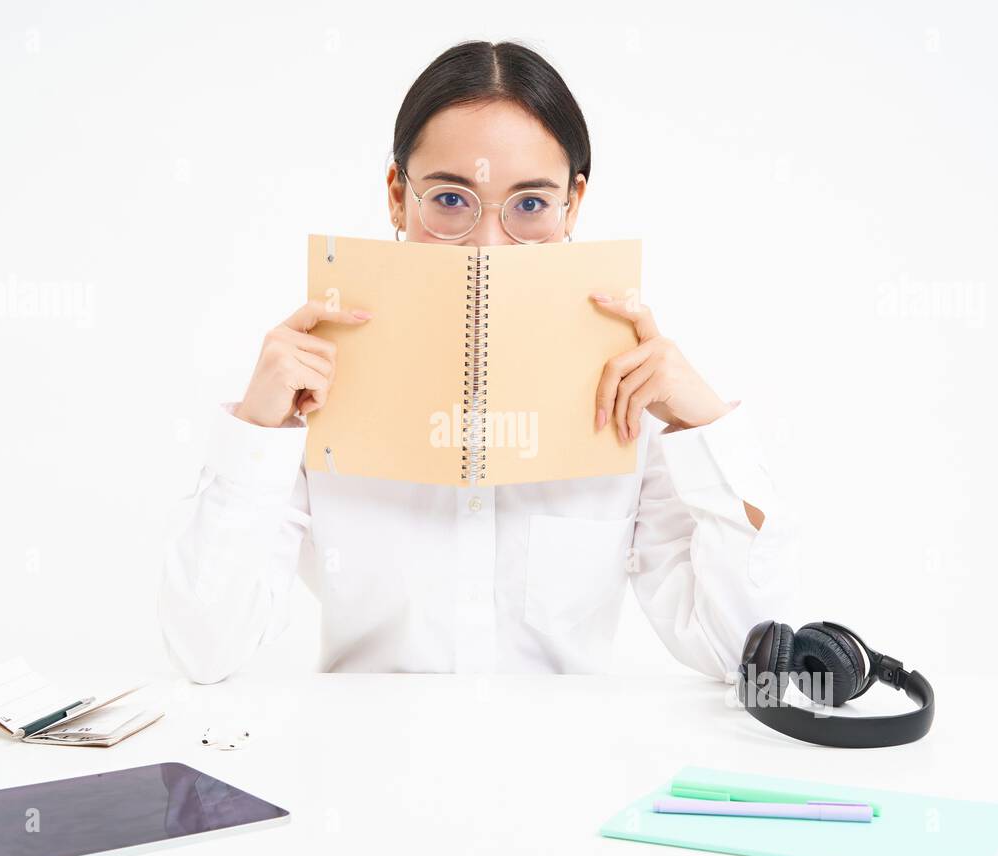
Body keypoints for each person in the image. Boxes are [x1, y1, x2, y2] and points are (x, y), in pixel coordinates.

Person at [159, 40, 796, 682]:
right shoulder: (316, 395)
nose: (488, 247)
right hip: (360, 770)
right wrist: (256, 433)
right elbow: (205, 649)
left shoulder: (627, 400)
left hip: (566, 772)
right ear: (396, 196)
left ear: (572, 205)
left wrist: (707, 430)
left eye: (529, 205)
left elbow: (745, 655)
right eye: (451, 201)